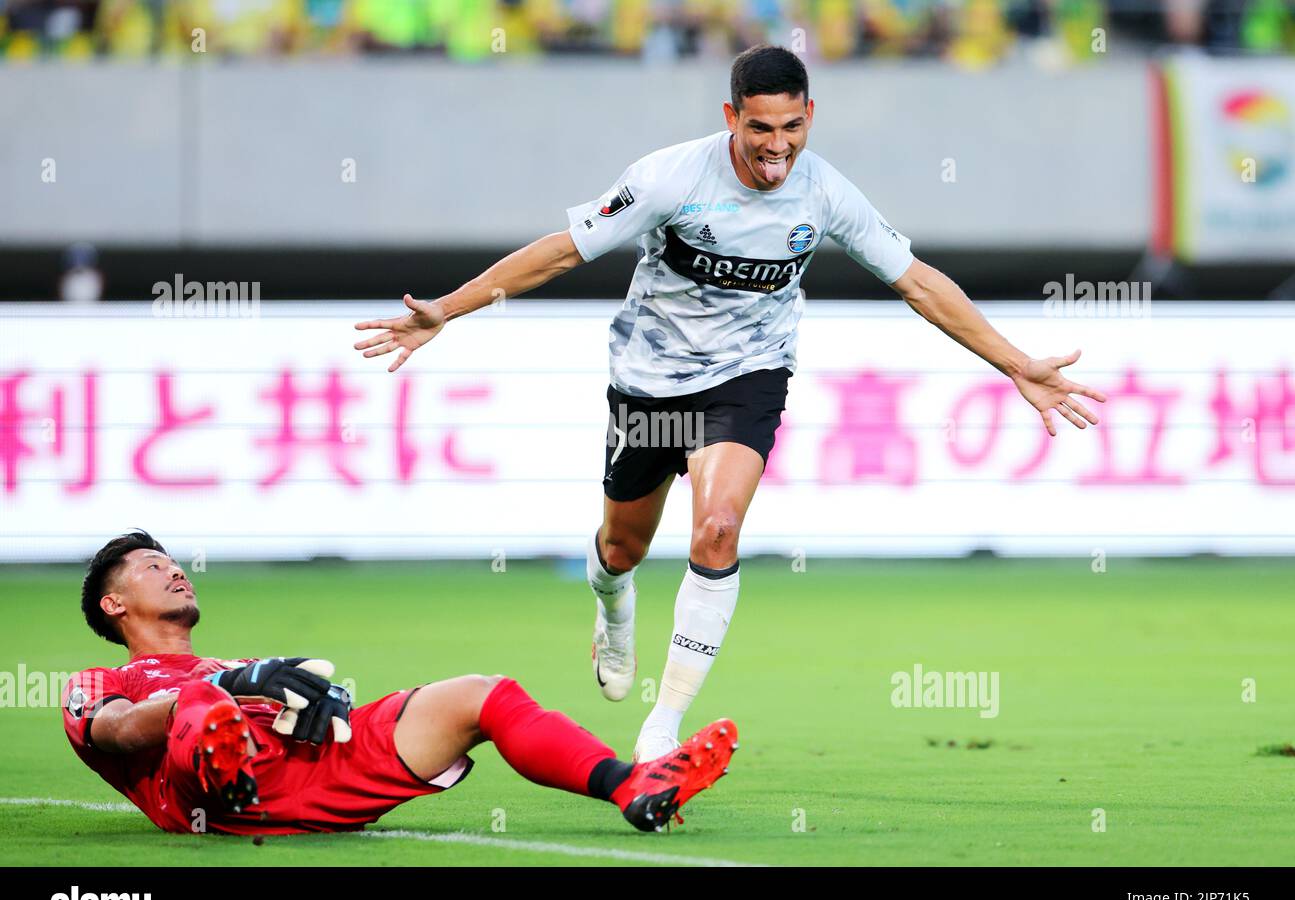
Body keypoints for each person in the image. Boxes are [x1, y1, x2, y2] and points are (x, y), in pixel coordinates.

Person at [352, 44, 1106, 762]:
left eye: (793, 127)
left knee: (716, 528)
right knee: (623, 549)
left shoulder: (827, 195)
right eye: (760, 128)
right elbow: (559, 251)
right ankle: (613, 606)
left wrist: (1014, 363)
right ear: (730, 116)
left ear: (810, 114)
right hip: (650, 379)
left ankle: (662, 725)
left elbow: (918, 282)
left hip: (747, 377)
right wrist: (447, 309)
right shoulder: (669, 180)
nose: (777, 146)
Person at [62, 530, 737, 835]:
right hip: (215, 798)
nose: (176, 571)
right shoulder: (101, 679)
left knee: (485, 692)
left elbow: (282, 698)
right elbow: (117, 729)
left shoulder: (236, 664)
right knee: (204, 701)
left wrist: (313, 710)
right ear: (113, 605)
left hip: (316, 774)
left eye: (175, 561)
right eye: (153, 567)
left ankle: (631, 784)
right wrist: (235, 686)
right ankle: (227, 758)